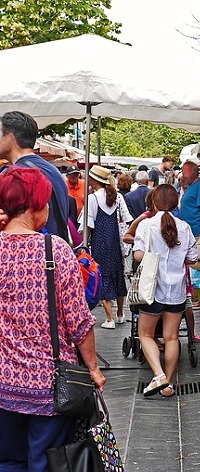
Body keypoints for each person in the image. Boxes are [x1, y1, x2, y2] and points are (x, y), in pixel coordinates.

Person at [0, 166, 106, 471]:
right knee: (47, 462)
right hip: (49, 387)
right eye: (45, 202)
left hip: (3, 384)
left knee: (7, 462)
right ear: (34, 205)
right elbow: (79, 322)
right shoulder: (55, 250)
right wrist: (94, 369)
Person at [133, 184, 198, 398]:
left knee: (145, 334)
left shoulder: (146, 225)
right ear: (175, 203)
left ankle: (158, 375)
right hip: (177, 290)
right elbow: (193, 258)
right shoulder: (185, 227)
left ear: (154, 202)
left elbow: (138, 256)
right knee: (171, 337)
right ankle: (168, 384)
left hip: (152, 290)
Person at [0, 111, 70, 240]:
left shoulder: (13, 177)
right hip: (54, 253)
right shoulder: (55, 172)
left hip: (25, 255)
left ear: (10, 136)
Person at [82, 165, 133, 328]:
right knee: (117, 275)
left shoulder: (93, 198)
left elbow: (88, 224)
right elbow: (126, 219)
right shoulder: (117, 197)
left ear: (94, 181)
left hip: (100, 241)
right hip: (115, 242)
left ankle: (109, 318)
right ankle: (120, 314)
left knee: (102, 275)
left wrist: (84, 244)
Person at [178, 161, 200, 308]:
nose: (183, 175)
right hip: (189, 231)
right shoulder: (191, 186)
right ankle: (197, 295)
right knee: (194, 264)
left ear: (193, 172)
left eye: (184, 172)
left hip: (197, 230)